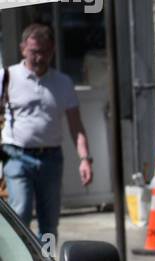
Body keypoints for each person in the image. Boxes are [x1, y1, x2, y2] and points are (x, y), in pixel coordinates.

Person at [1, 23, 93, 246]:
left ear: (52, 51)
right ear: (23, 48)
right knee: (20, 211)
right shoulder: (8, 77)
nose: (39, 58)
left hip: (51, 158)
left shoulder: (62, 83)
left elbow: (76, 125)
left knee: (49, 223)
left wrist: (85, 159)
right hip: (17, 155)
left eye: (45, 52)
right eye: (34, 52)